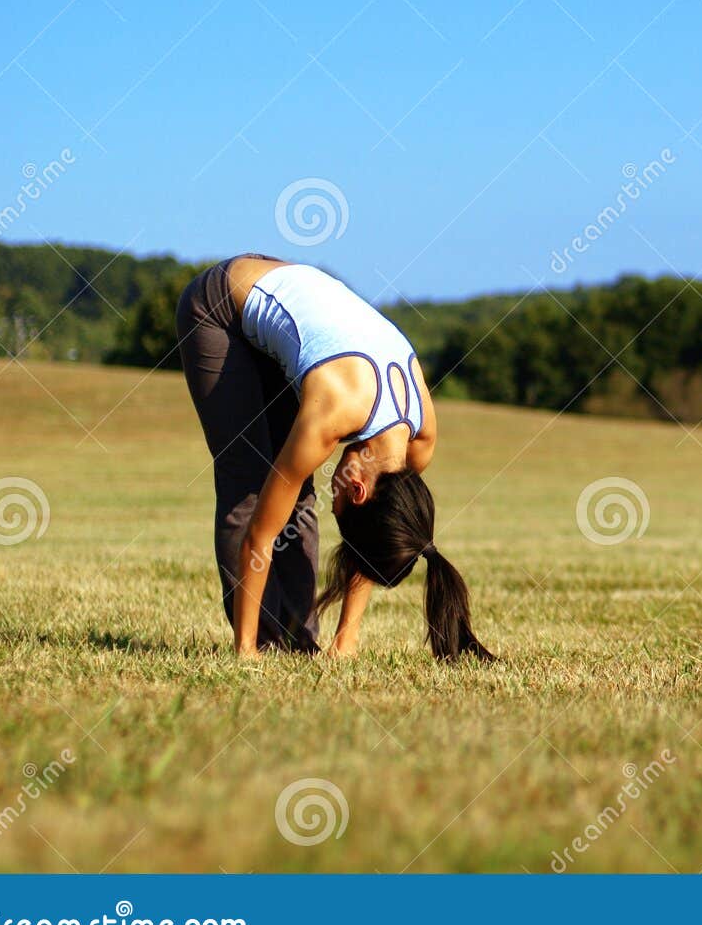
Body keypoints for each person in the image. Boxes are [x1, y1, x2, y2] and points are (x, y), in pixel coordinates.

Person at [174, 254, 492, 660]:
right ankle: (265, 644)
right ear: (356, 489)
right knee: (251, 488)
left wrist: (348, 636)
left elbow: (375, 534)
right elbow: (260, 534)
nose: (334, 501)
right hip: (220, 306)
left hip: (289, 307)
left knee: (296, 493)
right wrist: (245, 651)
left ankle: (299, 644)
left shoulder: (416, 446)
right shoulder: (336, 409)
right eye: (339, 510)